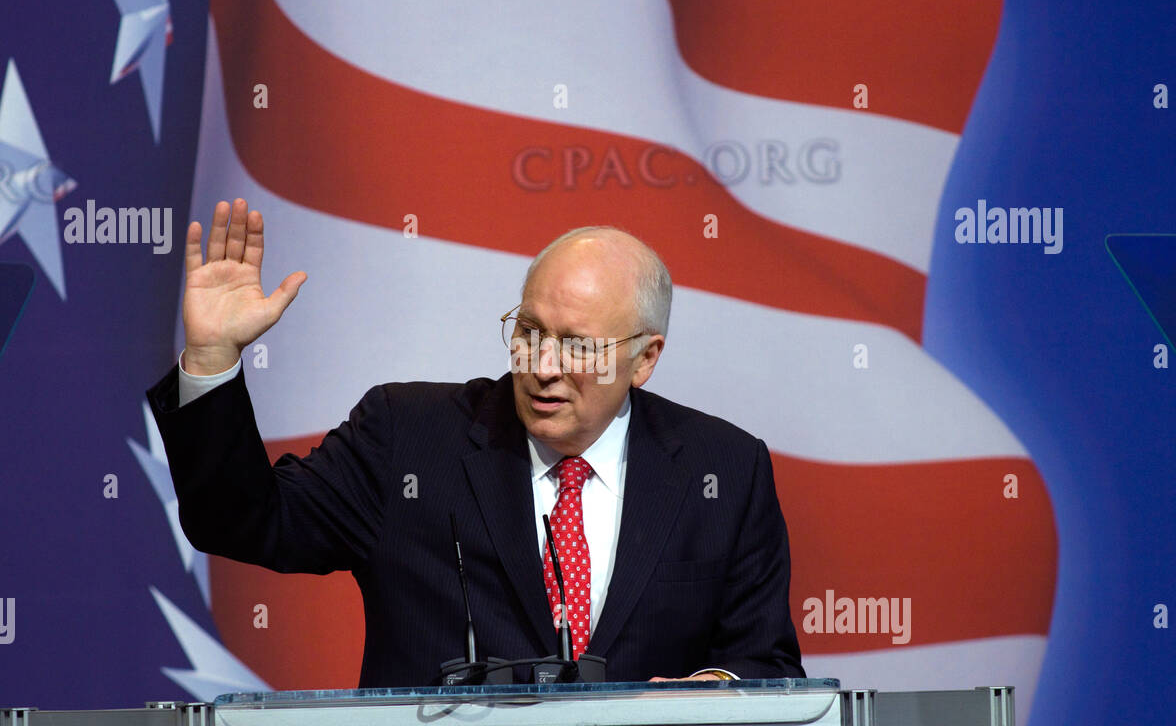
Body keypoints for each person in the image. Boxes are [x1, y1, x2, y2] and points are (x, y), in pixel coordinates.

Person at [146, 199, 804, 686]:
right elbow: (242, 522)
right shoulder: (408, 435)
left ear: (644, 358)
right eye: (529, 331)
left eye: (576, 345)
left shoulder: (723, 470)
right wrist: (210, 362)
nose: (541, 364)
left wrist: (717, 690)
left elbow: (766, 662)